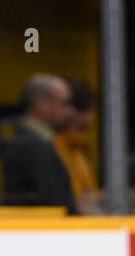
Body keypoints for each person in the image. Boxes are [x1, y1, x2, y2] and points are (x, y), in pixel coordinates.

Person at [0, 74, 77, 211]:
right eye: (64, 103)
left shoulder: (39, 141)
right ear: (41, 104)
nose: (69, 111)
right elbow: (50, 198)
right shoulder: (30, 145)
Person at [54, 81, 103, 215]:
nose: (91, 119)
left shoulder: (77, 148)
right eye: (87, 111)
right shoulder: (54, 147)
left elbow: (88, 194)